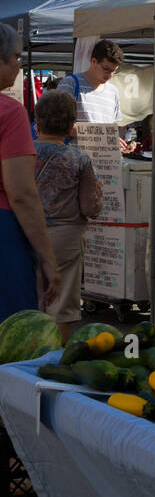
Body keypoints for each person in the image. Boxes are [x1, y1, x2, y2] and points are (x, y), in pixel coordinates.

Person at [33, 91, 103, 342]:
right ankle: (52, 359)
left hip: (25, 233)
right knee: (61, 306)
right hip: (65, 238)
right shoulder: (80, 159)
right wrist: (99, 196)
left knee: (28, 302)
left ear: (37, 123)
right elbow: (89, 208)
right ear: (72, 126)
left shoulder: (23, 155)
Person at [0, 23, 59, 314]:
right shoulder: (10, 113)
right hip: (4, 233)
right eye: (17, 57)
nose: (19, 65)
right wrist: (48, 257)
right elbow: (21, 192)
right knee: (10, 338)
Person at [57, 40, 131, 150]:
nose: (110, 75)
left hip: (104, 163)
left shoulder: (113, 92)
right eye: (106, 69)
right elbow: (57, 125)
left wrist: (120, 144)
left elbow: (112, 130)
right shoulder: (70, 83)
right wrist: (102, 136)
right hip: (73, 162)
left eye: (114, 71)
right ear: (94, 61)